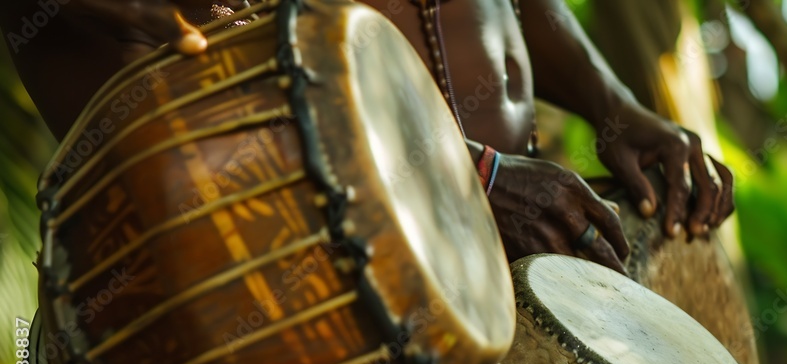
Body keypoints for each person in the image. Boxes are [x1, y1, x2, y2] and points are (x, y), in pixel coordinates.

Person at [0, 0, 734, 273]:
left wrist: (613, 103)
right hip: (330, 306)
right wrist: (460, 177)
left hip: (514, 250)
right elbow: (199, 104)